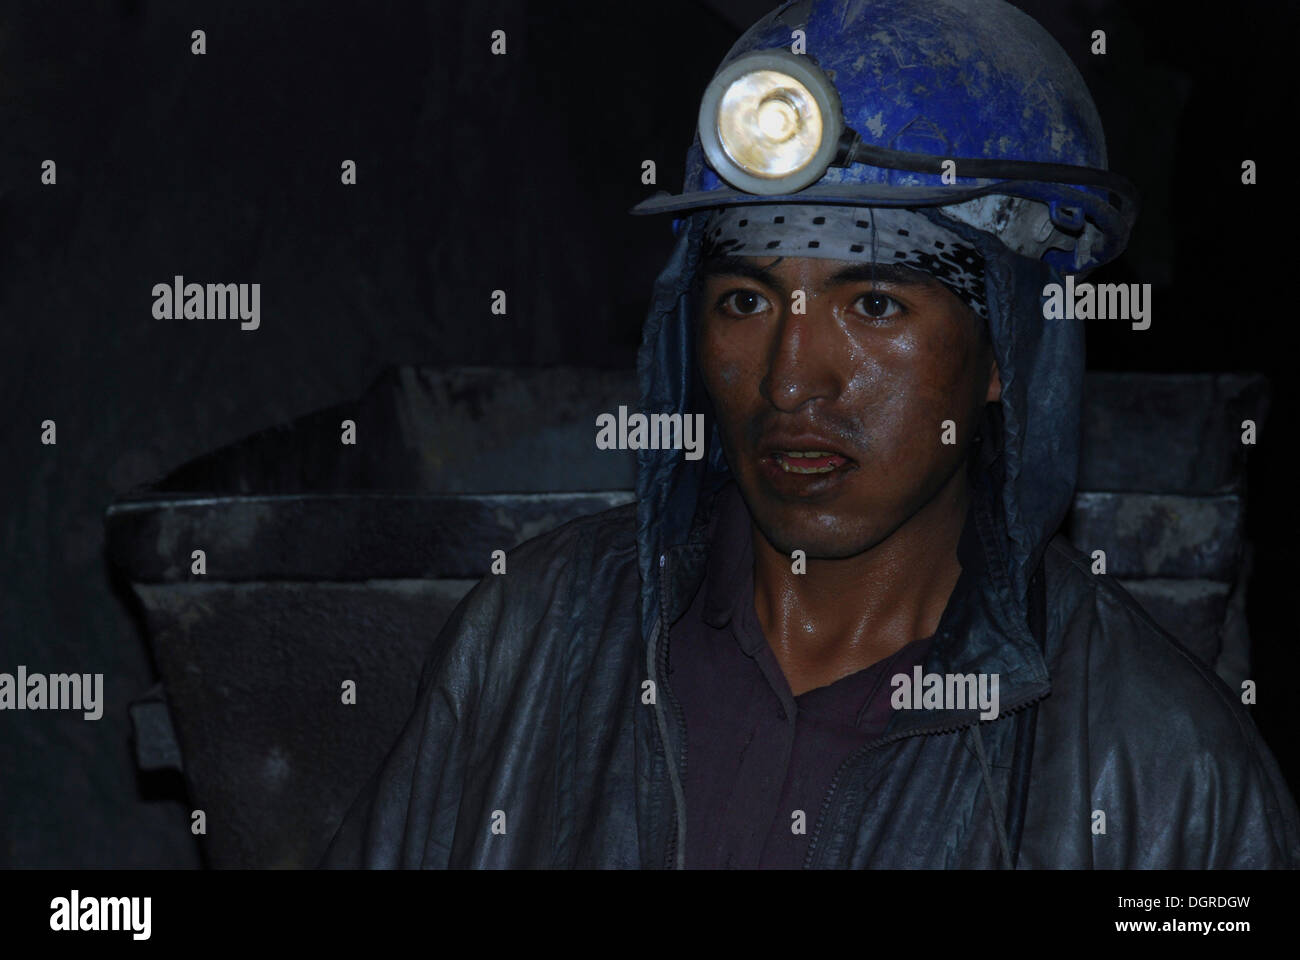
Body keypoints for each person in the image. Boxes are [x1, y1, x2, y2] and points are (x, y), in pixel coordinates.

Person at [323, 0, 1300, 868]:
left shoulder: (1165, 775)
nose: (791, 379)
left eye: (873, 303)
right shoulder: (529, 642)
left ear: (1009, 348)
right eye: (745, 299)